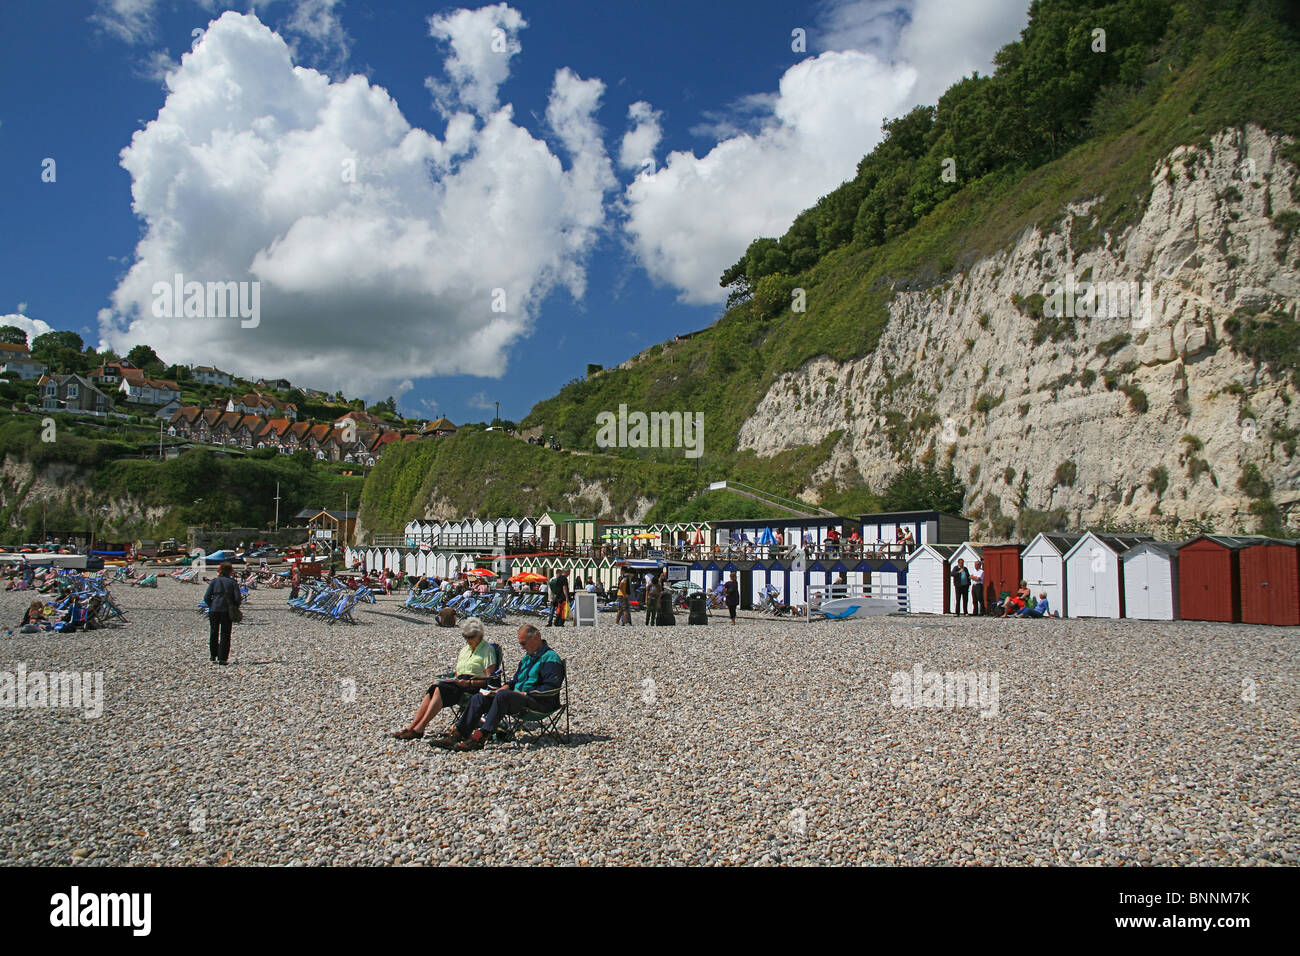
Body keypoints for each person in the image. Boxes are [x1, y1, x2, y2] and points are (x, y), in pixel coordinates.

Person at [432, 624, 563, 751]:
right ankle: (458, 734)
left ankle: (480, 738)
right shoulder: (527, 658)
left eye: (523, 643)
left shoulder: (551, 658)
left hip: (539, 702)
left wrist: (524, 694)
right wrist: (504, 687)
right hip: (518, 699)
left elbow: (551, 688)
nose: (522, 647)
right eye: (520, 644)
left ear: (535, 637)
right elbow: (516, 680)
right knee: (480, 698)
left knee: (503, 696)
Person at [391, 618, 499, 739]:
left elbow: (491, 679)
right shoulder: (464, 650)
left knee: (440, 689)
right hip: (459, 682)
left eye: (471, 637)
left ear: (479, 635)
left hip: (474, 685)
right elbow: (458, 673)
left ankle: (420, 728)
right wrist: (454, 679)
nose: (468, 640)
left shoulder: (487, 650)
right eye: (465, 637)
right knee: (434, 688)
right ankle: (412, 727)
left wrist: (469, 682)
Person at [203, 561, 242, 665]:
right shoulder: (233, 582)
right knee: (225, 633)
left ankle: (213, 656)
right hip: (226, 610)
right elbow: (238, 598)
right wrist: (234, 607)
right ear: (230, 571)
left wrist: (211, 605)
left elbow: (206, 597)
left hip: (214, 610)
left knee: (214, 632)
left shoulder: (215, 581)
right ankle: (223, 658)